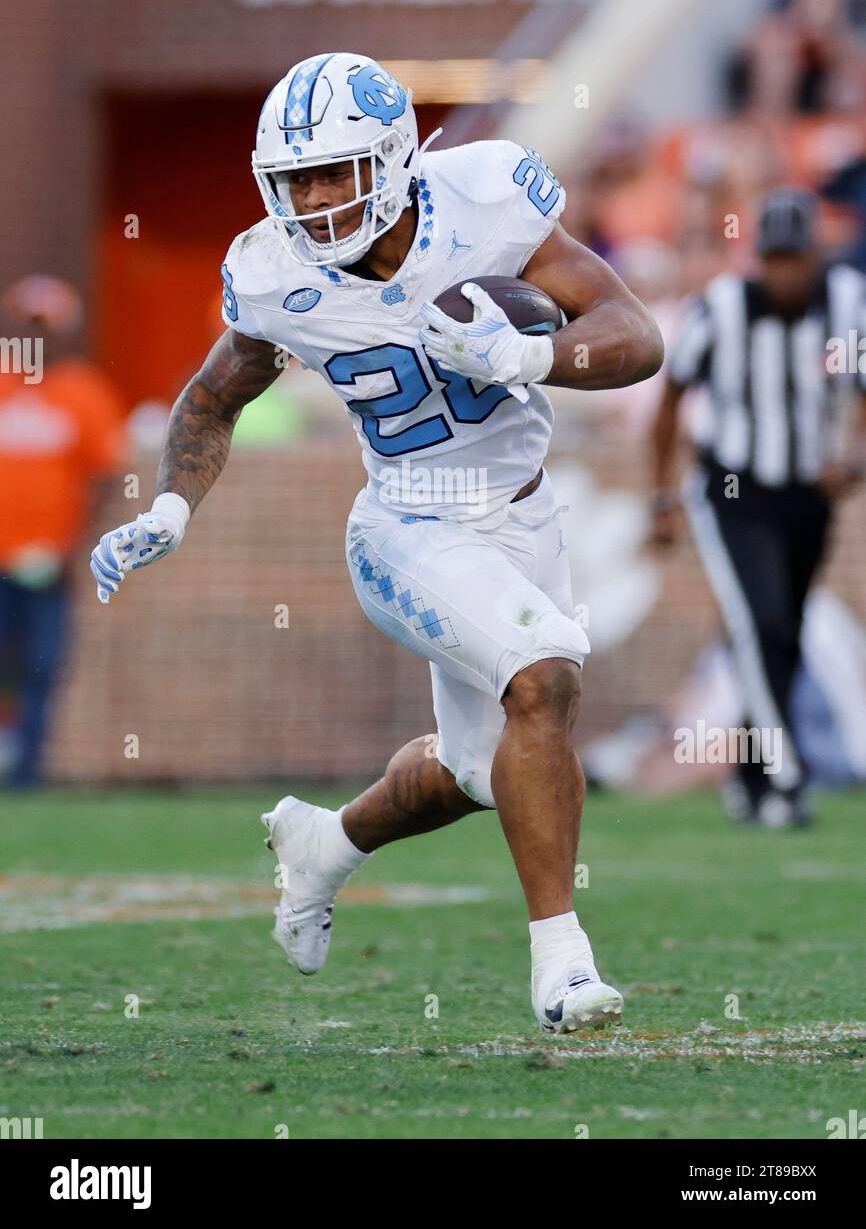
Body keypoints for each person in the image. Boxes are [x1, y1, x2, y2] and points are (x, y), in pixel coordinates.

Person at [90, 54, 662, 1033]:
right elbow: (214, 397)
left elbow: (635, 334)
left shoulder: (485, 200)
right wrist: (170, 510)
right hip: (406, 524)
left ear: (394, 158)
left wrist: (534, 354)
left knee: (478, 770)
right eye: (295, 180)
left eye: (332, 172)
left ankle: (325, 845)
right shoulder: (274, 276)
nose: (313, 200)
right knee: (543, 673)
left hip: (525, 514)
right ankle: (562, 967)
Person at [649, 188, 866, 826]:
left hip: (809, 493)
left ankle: (749, 780)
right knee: (760, 623)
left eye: (796, 259)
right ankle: (786, 777)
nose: (785, 274)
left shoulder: (849, 302)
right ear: (759, 259)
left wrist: (853, 458)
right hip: (734, 490)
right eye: (775, 260)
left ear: (815, 257)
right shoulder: (721, 307)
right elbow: (671, 397)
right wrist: (662, 496)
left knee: (785, 633)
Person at [0, 276, 125, 787]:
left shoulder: (83, 392)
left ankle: (27, 770)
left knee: (41, 665)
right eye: (27, 326)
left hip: (49, 561)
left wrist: (76, 546)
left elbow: (104, 475)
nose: (36, 337)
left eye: (44, 327)